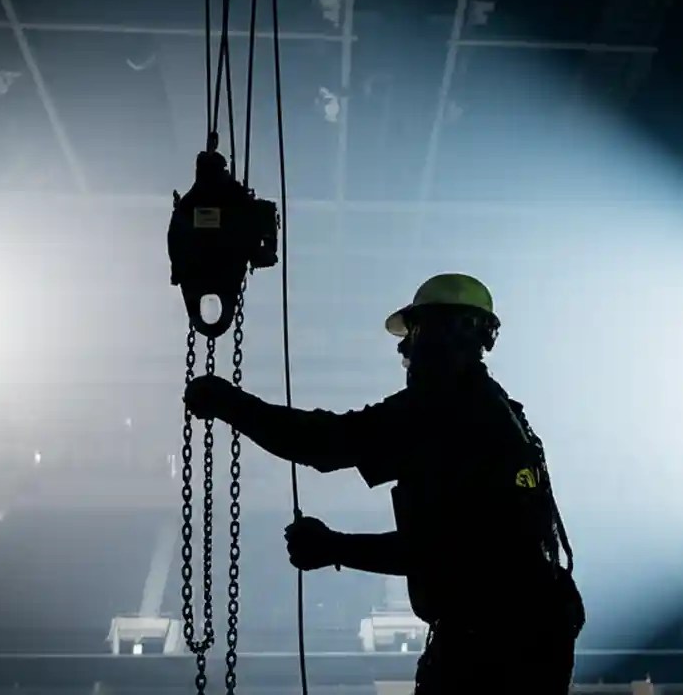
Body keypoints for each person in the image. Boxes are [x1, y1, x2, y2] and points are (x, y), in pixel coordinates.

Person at [185, 273, 584, 694]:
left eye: (411, 332)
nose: (403, 348)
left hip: (490, 647)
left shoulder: (445, 410)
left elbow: (327, 445)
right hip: (528, 636)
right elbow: (456, 546)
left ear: (437, 331)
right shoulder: (495, 410)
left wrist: (230, 404)